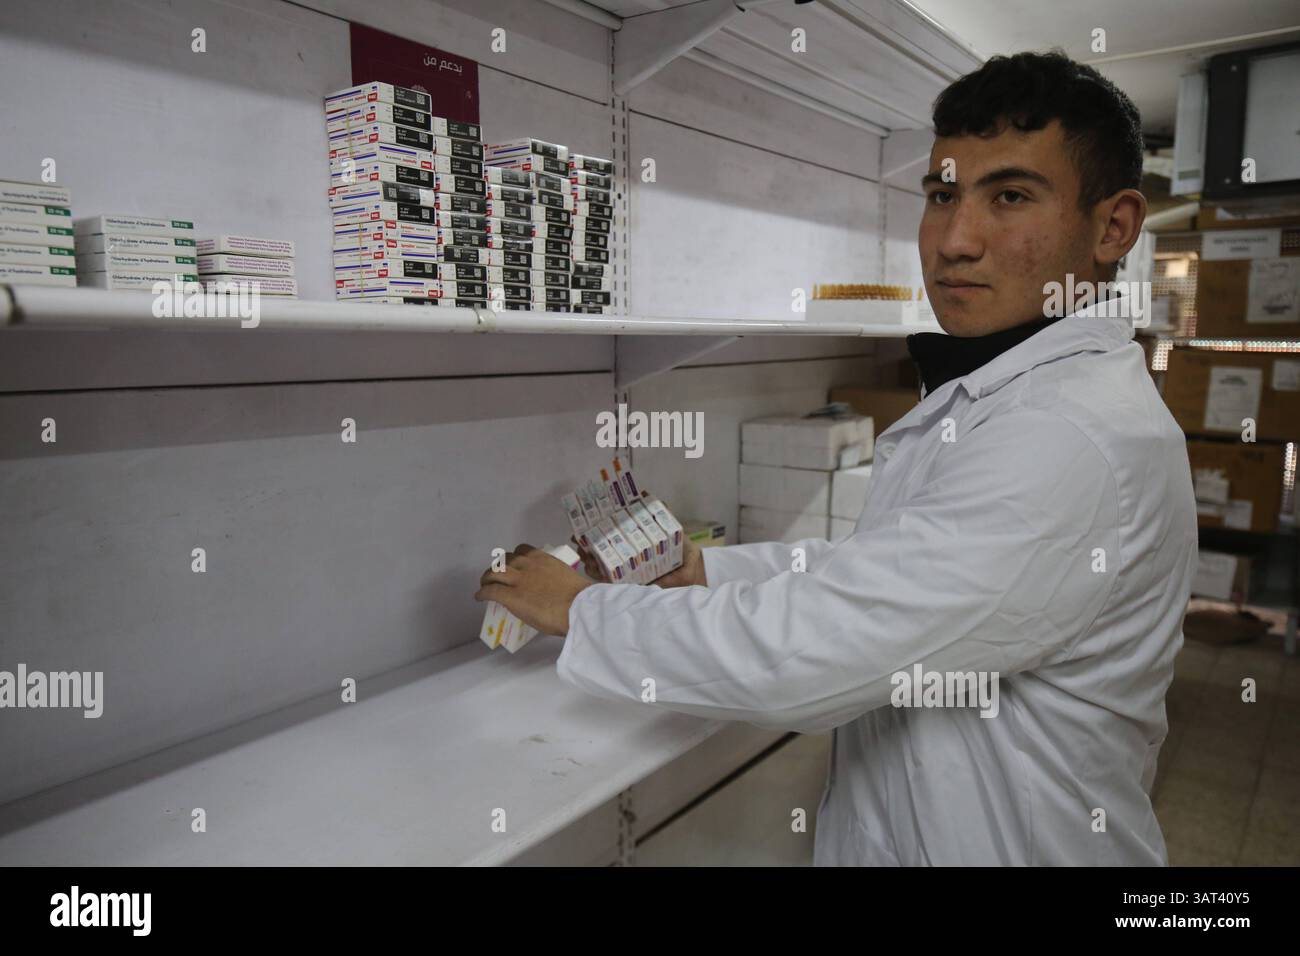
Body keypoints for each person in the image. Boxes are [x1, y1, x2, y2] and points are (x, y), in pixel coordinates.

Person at [474, 50, 1197, 865]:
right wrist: (707, 574)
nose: (956, 240)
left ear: (1114, 226)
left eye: (1011, 196)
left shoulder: (1068, 436)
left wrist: (580, 611)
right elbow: (879, 574)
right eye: (941, 195)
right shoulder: (1012, 393)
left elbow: (821, 646)